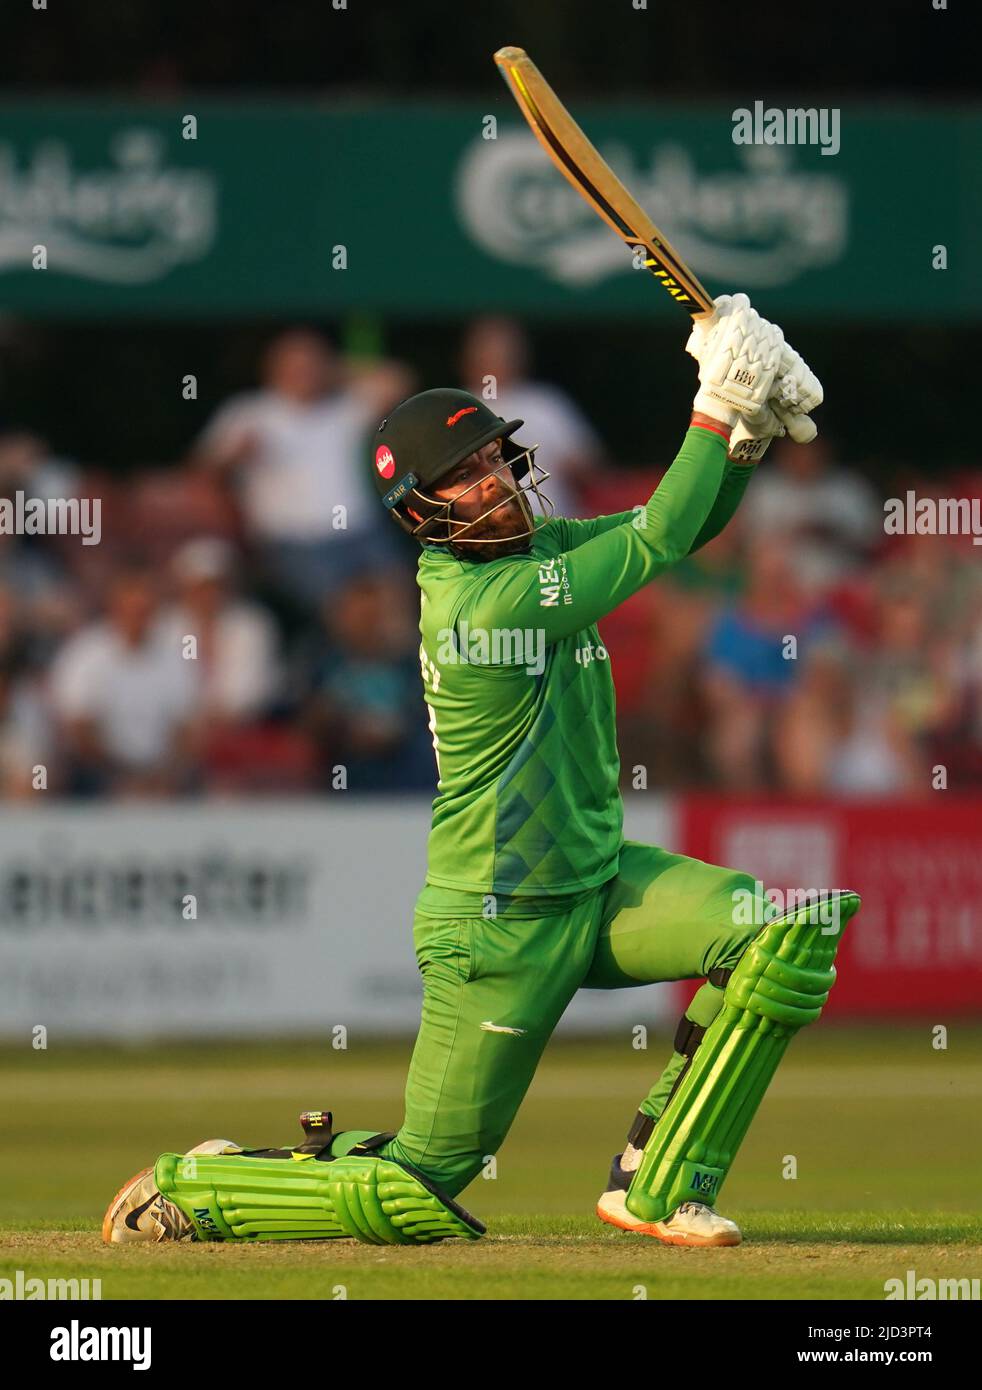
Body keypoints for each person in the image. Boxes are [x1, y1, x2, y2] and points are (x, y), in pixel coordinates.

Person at [103, 294, 859, 1250]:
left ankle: (659, 1185)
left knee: (775, 933)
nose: (496, 480)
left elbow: (686, 527)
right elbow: (659, 537)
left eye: (496, 457)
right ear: (419, 512)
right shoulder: (480, 604)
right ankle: (196, 1187)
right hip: (496, 927)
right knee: (420, 1189)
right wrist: (717, 406)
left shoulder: (535, 553)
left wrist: (744, 437)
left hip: (597, 883)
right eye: (463, 476)